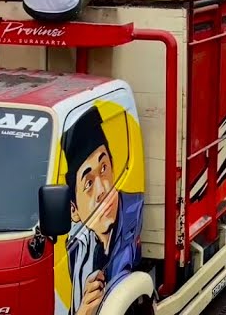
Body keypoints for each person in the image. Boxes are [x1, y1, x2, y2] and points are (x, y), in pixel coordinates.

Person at [60, 107, 144, 315]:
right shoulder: (76, 245)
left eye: (104, 168)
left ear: (115, 167)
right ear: (73, 210)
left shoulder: (132, 213)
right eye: (88, 183)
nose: (102, 190)